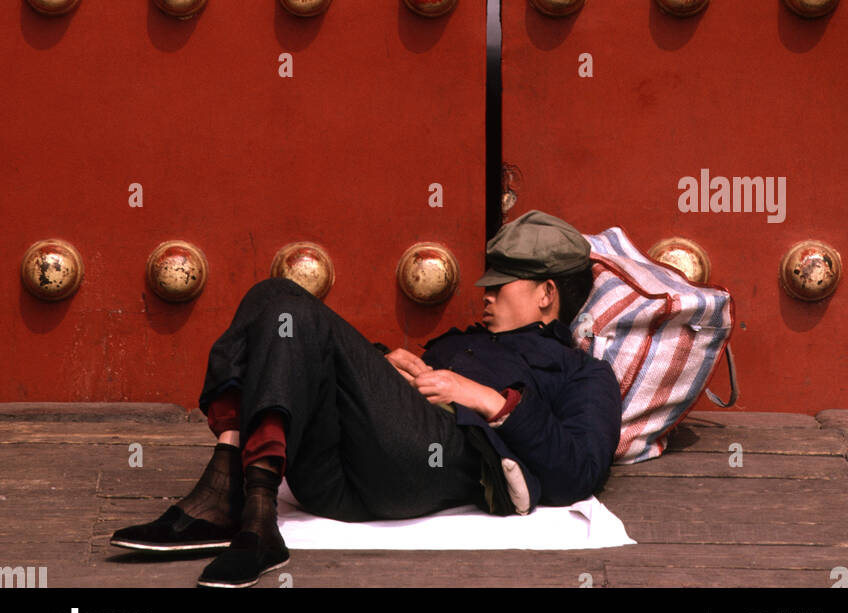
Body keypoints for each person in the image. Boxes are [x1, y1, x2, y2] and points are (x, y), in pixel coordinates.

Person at [111, 210, 622, 587]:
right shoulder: (461, 340)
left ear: (546, 295)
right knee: (271, 298)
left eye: (501, 286)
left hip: (426, 464)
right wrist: (382, 365)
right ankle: (250, 503)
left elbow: (578, 469)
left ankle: (235, 501)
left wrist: (487, 398)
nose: (484, 296)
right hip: (336, 481)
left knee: (290, 305)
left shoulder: (584, 373)